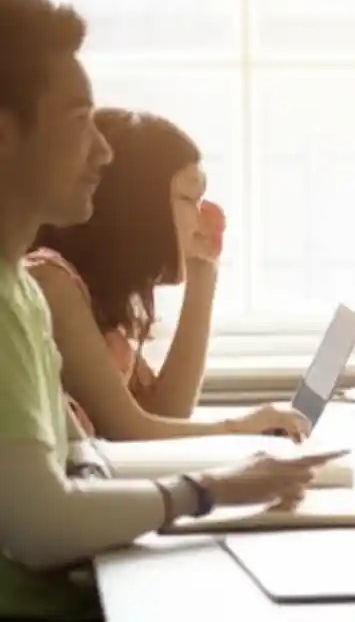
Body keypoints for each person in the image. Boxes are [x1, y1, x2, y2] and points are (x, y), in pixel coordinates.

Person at [0, 0, 338, 620]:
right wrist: (211, 489)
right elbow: (38, 524)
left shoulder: (20, 292)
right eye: (79, 123)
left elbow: (91, 461)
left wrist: (239, 477)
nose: (102, 151)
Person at [27, 107, 308, 441]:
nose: (202, 215)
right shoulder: (52, 284)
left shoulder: (97, 304)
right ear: (139, 208)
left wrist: (203, 277)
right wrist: (240, 429)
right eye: (190, 198)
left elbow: (164, 412)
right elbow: (128, 429)